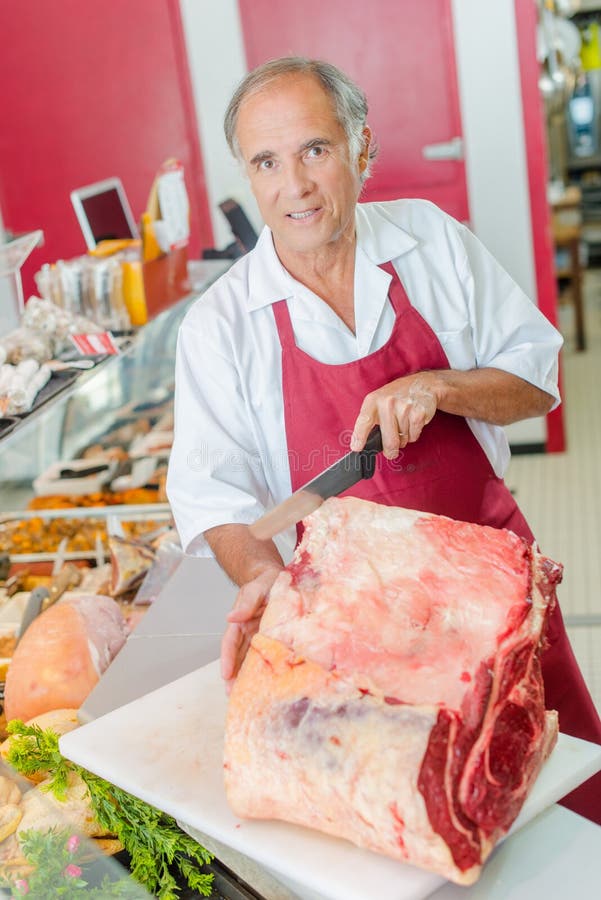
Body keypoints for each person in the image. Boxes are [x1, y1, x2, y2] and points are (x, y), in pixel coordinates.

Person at [167, 57, 601, 822]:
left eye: (315, 150)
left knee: (569, 791)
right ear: (246, 174)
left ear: (361, 148)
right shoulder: (219, 326)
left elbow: (535, 380)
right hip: (356, 627)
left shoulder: (430, 242)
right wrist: (261, 575)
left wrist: (440, 386)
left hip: (495, 593)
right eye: (266, 162)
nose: (293, 186)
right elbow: (213, 497)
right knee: (424, 818)